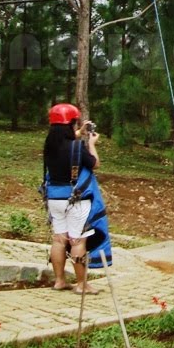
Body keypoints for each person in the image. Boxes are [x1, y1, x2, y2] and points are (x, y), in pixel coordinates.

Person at [43, 103, 102, 295]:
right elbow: (95, 164)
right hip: (75, 200)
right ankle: (81, 285)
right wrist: (91, 144)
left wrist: (80, 132)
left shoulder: (49, 146)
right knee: (77, 242)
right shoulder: (77, 148)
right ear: (71, 123)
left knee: (59, 239)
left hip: (54, 199)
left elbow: (65, 142)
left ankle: (59, 281)